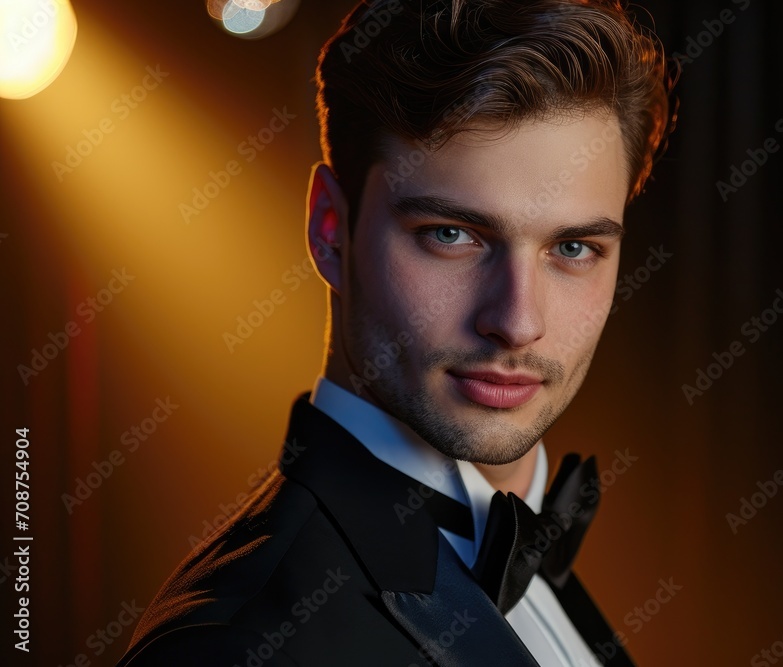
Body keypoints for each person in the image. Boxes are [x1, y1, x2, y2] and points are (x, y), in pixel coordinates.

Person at [118, 0, 676, 664]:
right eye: (452, 235)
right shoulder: (235, 644)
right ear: (331, 230)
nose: (518, 321)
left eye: (575, 248)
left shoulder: (541, 580)